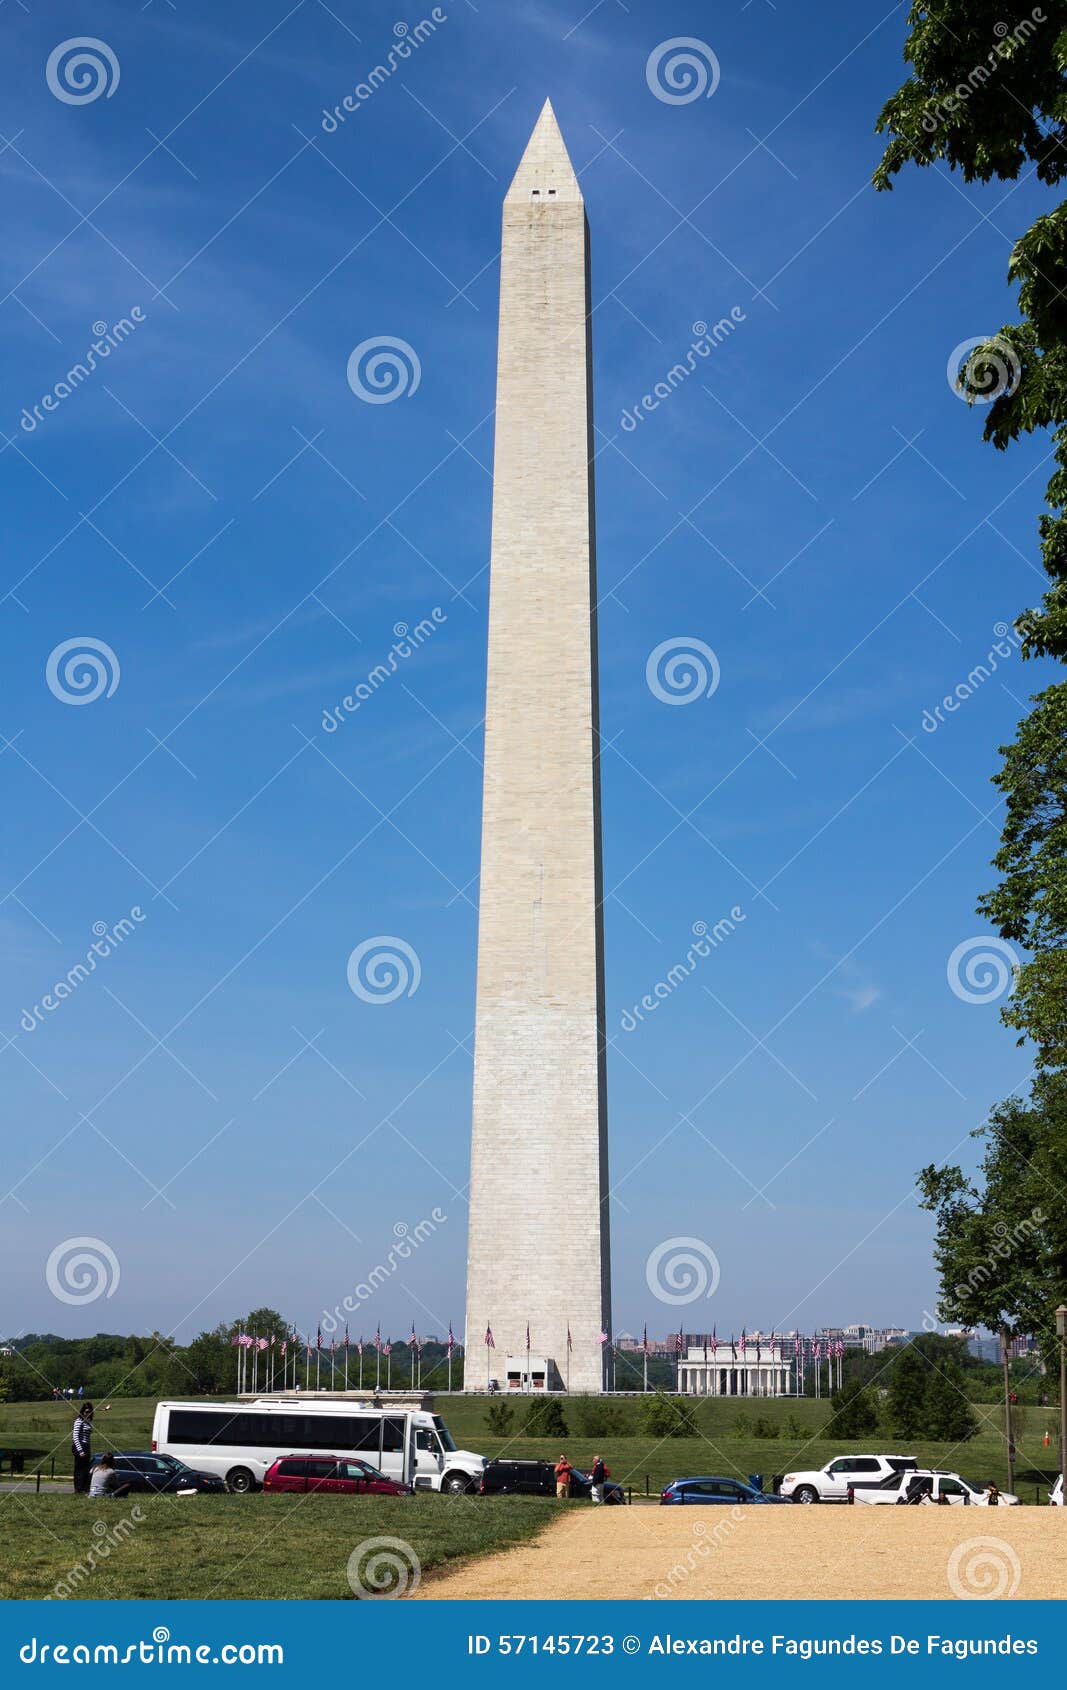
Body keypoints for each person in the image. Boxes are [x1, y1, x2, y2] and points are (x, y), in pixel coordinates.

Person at [71, 1403, 93, 1494]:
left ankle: (83, 1488)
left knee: (86, 1468)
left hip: (86, 1446)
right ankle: (78, 1489)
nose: (87, 1413)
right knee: (79, 1468)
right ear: (82, 1411)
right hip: (79, 1446)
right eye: (86, 1411)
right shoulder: (79, 1421)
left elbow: (87, 1437)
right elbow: (75, 1437)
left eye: (89, 1411)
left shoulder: (88, 1421)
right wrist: (80, 1450)